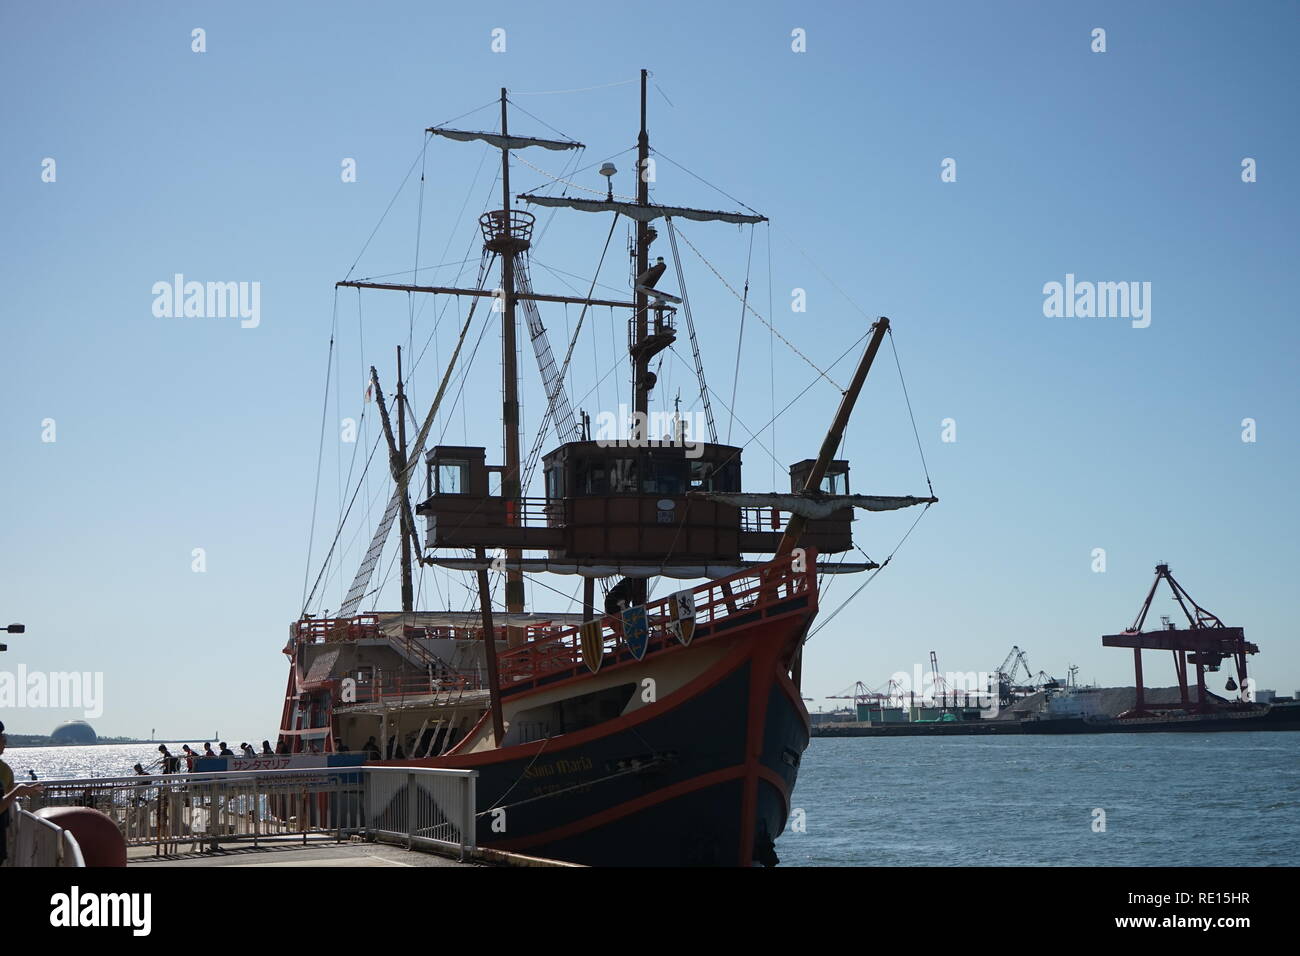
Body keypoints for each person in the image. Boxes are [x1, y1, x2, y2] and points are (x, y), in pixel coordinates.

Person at [1, 721, 45, 865]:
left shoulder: (5, 770)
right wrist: (18, 790)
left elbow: (7, 795)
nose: (4, 743)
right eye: (2, 739)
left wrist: (25, 790)